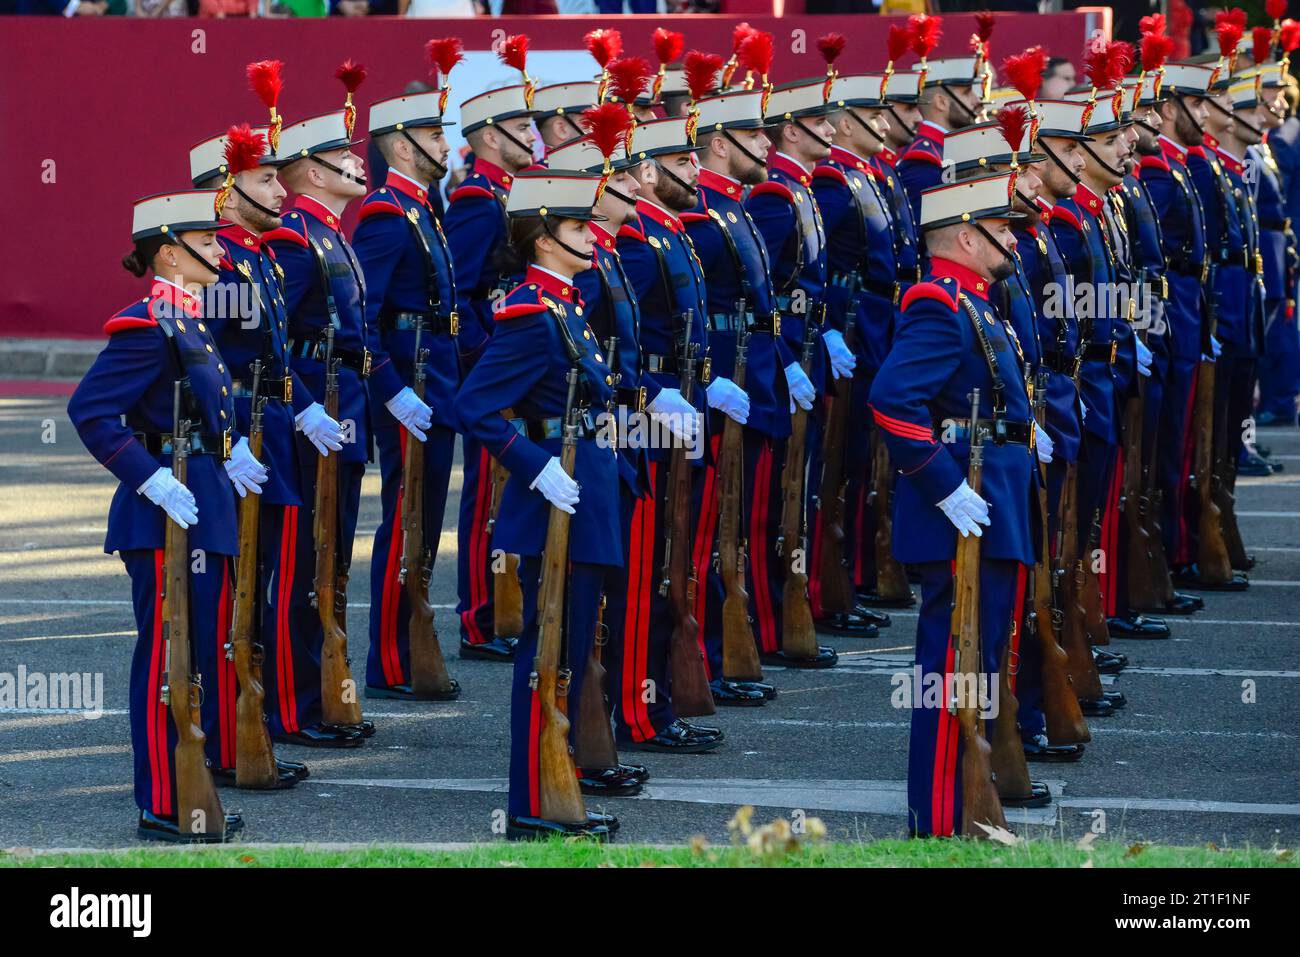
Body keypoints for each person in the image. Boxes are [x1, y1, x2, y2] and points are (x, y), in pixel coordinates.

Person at [69, 188, 262, 841]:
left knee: (199, 654)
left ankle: (192, 791)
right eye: (206, 242)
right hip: (163, 514)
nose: (219, 249)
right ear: (169, 252)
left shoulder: (189, 320)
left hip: (203, 503)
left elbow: (200, 409)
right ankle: (161, 799)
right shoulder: (148, 323)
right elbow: (90, 412)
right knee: (166, 656)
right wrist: (149, 477)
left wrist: (227, 452)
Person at [868, 171, 1038, 837]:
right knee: (952, 663)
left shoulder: (975, 301)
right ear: (967, 236)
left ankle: (971, 800)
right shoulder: (939, 302)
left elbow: (985, 392)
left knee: (985, 657)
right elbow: (891, 399)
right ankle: (938, 817)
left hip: (996, 497)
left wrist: (1024, 430)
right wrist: (943, 484)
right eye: (1000, 230)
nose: (1012, 241)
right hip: (966, 505)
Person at [455, 170, 622, 840]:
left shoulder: (565, 307)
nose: (592, 235)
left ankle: (559, 787)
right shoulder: (530, 314)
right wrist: (533, 464)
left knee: (572, 651)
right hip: (557, 499)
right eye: (579, 227)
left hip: (588, 494)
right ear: (544, 237)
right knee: (546, 650)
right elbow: (474, 407)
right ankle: (530, 800)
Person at [187, 120, 331, 786]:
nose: (282, 187)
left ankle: (252, 726)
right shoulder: (219, 261)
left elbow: (269, 360)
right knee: (232, 595)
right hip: (235, 440)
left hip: (265, 431)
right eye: (266, 177)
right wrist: (222, 446)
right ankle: (218, 737)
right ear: (226, 188)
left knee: (262, 584)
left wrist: (304, 403)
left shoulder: (262, 257)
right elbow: (202, 365)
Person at [264, 91, 390, 746]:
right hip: (313, 412)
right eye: (342, 154)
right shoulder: (294, 240)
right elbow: (270, 334)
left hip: (347, 410)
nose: (357, 161)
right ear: (311, 169)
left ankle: (323, 695)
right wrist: (302, 405)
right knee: (303, 562)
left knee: (331, 559)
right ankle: (291, 706)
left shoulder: (332, 237)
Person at [610, 114, 725, 749]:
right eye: (680, 164)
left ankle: (652, 699)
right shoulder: (636, 242)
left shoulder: (669, 233)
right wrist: (655, 396)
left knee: (667, 564)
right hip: (646, 417)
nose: (693, 172)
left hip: (677, 406)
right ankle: (634, 709)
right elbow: (611, 344)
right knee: (640, 574)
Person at [354, 78, 467, 700]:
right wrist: (390, 388)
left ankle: (408, 648)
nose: (443, 144)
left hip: (438, 380)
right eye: (431, 134)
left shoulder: (423, 208)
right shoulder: (385, 214)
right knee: (405, 518)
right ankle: (392, 661)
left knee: (423, 519)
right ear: (399, 146)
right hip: (411, 384)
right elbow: (360, 316)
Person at [684, 85, 784, 705]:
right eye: (753, 137)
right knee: (706, 528)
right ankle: (706, 658)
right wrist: (704, 380)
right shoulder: (700, 215)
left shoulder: (733, 208)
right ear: (719, 145)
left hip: (752, 375)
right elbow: (686, 315)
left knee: (738, 521)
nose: (768, 144)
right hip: (721, 382)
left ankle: (725, 649)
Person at [746, 77, 844, 665]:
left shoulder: (798, 189)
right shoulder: (774, 197)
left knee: (799, 491)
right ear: (792, 129)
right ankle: (761, 622)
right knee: (767, 501)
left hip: (803, 350)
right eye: (820, 122)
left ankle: (782, 612)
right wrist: (784, 359)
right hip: (778, 359)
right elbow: (760, 300)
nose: (832, 131)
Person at [445, 70, 538, 661]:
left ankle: (504, 607)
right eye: (523, 126)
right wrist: (487, 358)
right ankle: (479, 618)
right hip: (495, 364)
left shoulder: (514, 193)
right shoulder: (479, 202)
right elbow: (459, 294)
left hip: (521, 362)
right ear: (490, 137)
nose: (534, 135)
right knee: (486, 495)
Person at [810, 72, 899, 636]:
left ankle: (850, 577)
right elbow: (811, 269)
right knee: (835, 464)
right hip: (851, 326)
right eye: (876, 117)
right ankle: (826, 584)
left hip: (873, 323)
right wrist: (825, 329)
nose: (888, 125)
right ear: (847, 124)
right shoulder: (830, 183)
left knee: (860, 459)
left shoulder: (864, 176)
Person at [897, 55, 987, 221]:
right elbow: (921, 231)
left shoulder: (949, 151)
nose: (977, 100)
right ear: (941, 102)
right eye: (967, 93)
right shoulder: (925, 159)